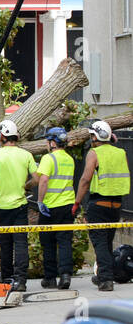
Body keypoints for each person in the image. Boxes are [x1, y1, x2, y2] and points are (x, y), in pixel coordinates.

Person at [74, 119, 130, 292]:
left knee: (100, 243)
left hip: (98, 204)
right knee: (107, 241)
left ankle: (106, 279)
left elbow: (85, 179)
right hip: (116, 205)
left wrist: (77, 202)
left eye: (92, 135)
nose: (91, 139)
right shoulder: (120, 152)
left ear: (96, 136)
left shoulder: (94, 153)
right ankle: (103, 275)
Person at [0, 119, 38, 294]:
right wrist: (26, 186)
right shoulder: (26, 155)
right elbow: (36, 179)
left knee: (5, 245)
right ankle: (21, 280)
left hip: (1, 207)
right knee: (21, 244)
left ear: (2, 136)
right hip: (20, 205)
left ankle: (7, 279)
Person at [35, 127, 76, 290]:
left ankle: (50, 278)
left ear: (53, 142)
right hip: (67, 205)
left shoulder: (48, 158)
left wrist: (40, 201)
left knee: (48, 243)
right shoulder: (69, 159)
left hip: (50, 207)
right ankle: (65, 275)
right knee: (65, 241)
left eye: (47, 141)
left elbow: (43, 181)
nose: (46, 144)